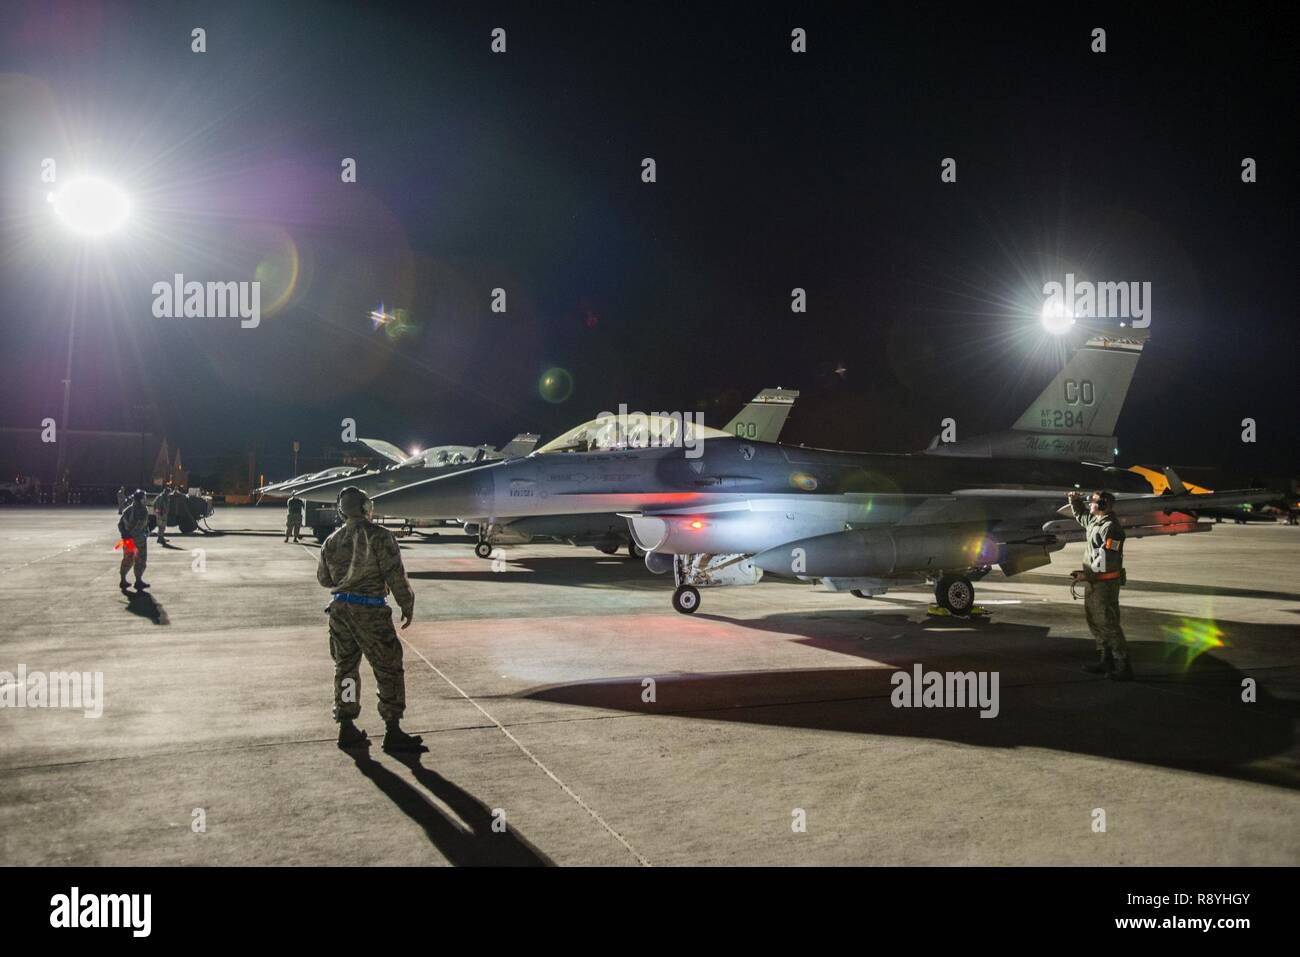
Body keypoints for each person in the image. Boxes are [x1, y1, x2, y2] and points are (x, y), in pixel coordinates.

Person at [316, 486, 424, 752]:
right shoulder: (381, 537)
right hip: (371, 612)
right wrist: (406, 603)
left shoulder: (331, 541)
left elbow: (324, 579)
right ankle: (393, 728)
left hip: (340, 611)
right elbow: (395, 575)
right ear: (366, 507)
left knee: (346, 668)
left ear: (342, 511)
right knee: (388, 667)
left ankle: (346, 725)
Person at [1068, 490, 1133, 681]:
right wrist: (1074, 499)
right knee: (1095, 621)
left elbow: (1109, 560)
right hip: (1094, 581)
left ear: (1103, 504)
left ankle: (1123, 666)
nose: (1089, 504)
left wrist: (1086, 575)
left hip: (1105, 584)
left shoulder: (1111, 528)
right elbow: (1081, 515)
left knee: (1108, 623)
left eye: (1093, 501)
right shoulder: (1096, 522)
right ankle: (1106, 660)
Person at [117, 489, 151, 593]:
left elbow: (120, 524)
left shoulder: (128, 509)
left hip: (127, 539)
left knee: (127, 560)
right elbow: (139, 526)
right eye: (144, 497)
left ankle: (123, 580)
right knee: (140, 560)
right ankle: (138, 581)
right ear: (141, 499)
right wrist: (136, 535)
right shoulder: (143, 510)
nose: (146, 499)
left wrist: (125, 534)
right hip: (138, 540)